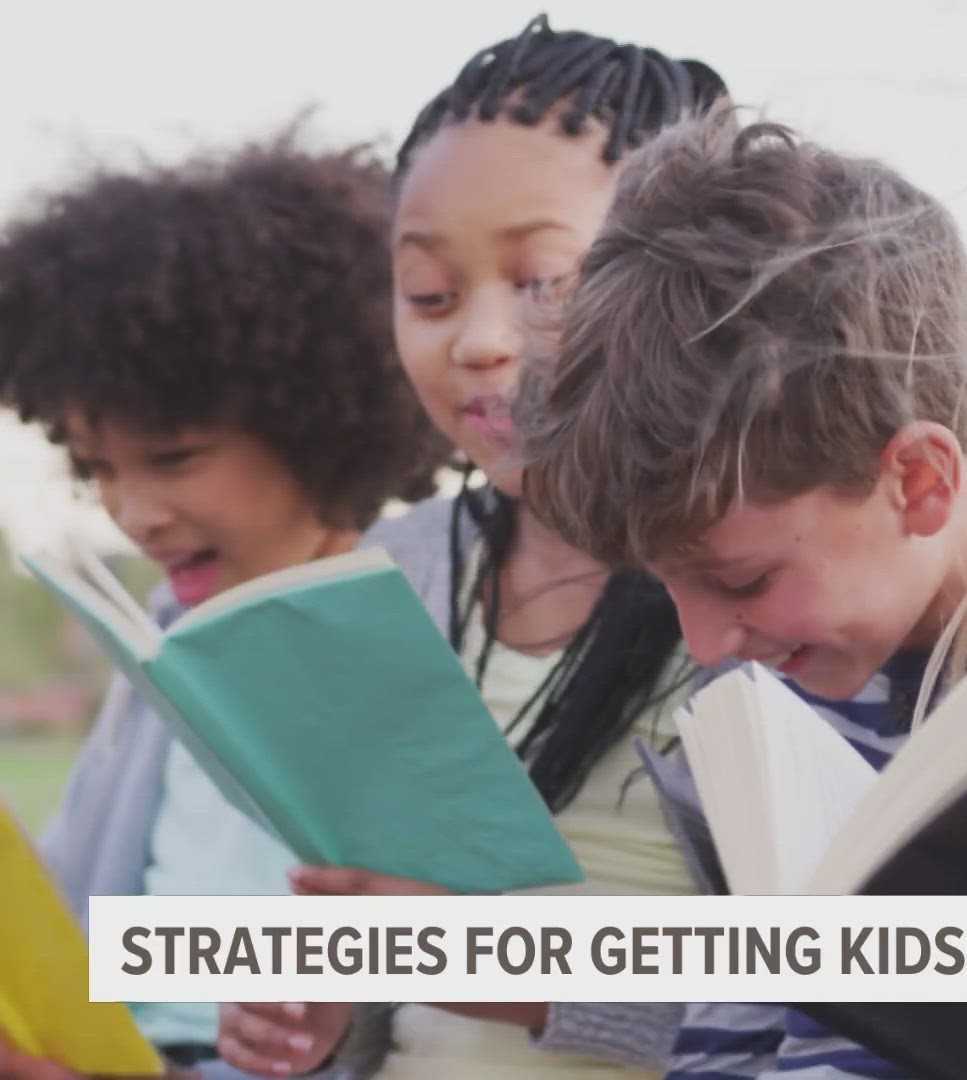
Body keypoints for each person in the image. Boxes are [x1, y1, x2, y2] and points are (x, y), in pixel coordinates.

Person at [213, 16, 727, 1080]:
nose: (477, 339)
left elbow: (826, 1002)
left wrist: (507, 972)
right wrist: (319, 1019)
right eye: (431, 296)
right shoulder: (394, 576)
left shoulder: (760, 590)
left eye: (543, 278)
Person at [513, 111, 967, 1079]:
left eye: (740, 580)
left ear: (919, 480)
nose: (705, 645)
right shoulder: (785, 695)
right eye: (666, 590)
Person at [0, 128, 446, 1080]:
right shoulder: (157, 636)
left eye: (174, 459)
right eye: (98, 468)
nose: (135, 513)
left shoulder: (428, 641)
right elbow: (85, 914)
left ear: (314, 420)